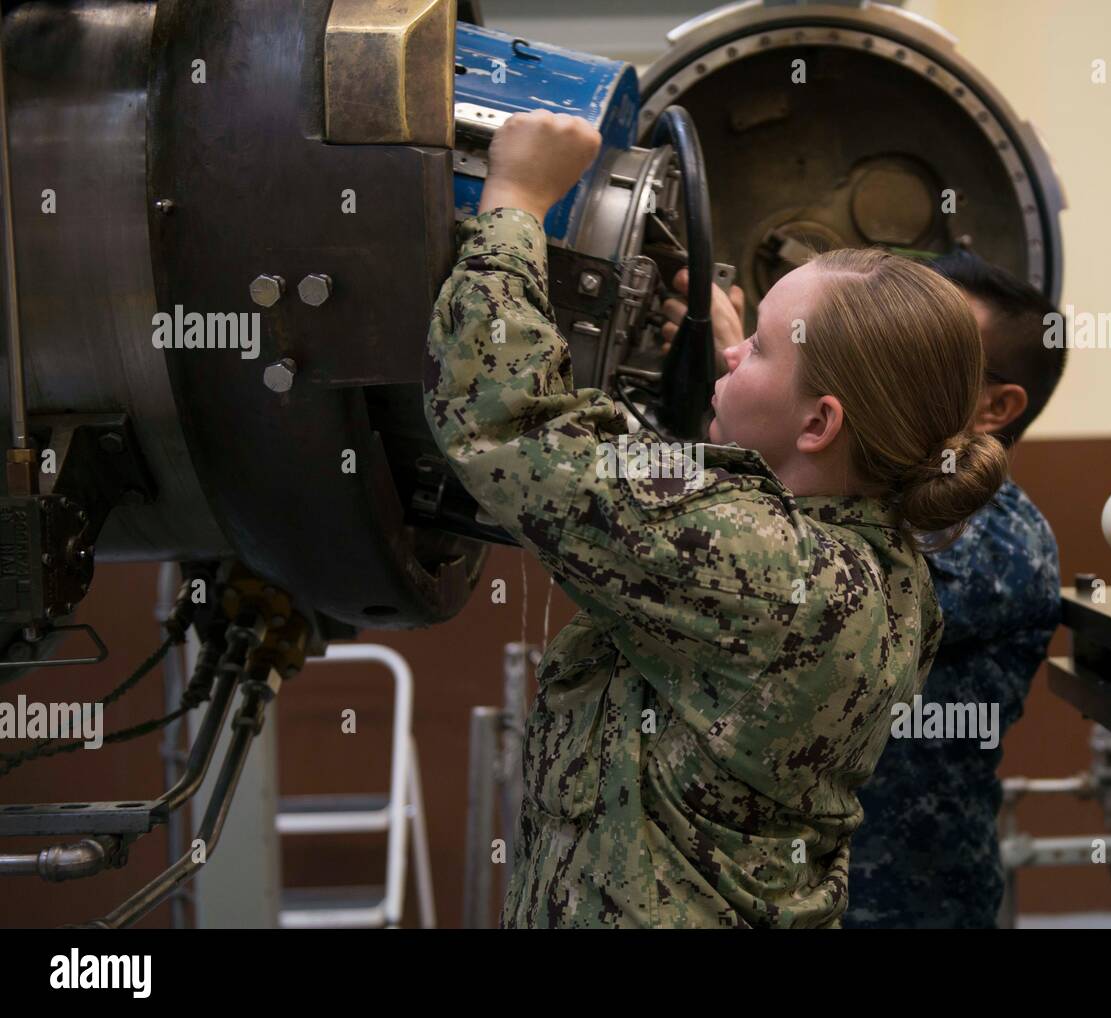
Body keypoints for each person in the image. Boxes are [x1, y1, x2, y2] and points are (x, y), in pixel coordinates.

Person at [423, 110, 1008, 927]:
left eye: (760, 349)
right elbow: (689, 507)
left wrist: (514, 201)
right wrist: (746, 363)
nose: (735, 355)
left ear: (818, 424)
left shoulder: (765, 567)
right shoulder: (884, 567)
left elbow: (509, 430)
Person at [843, 248, 1065, 929]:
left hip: (906, 905)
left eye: (928, 348)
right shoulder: (867, 498)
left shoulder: (1001, 543)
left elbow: (830, 591)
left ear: (995, 406)